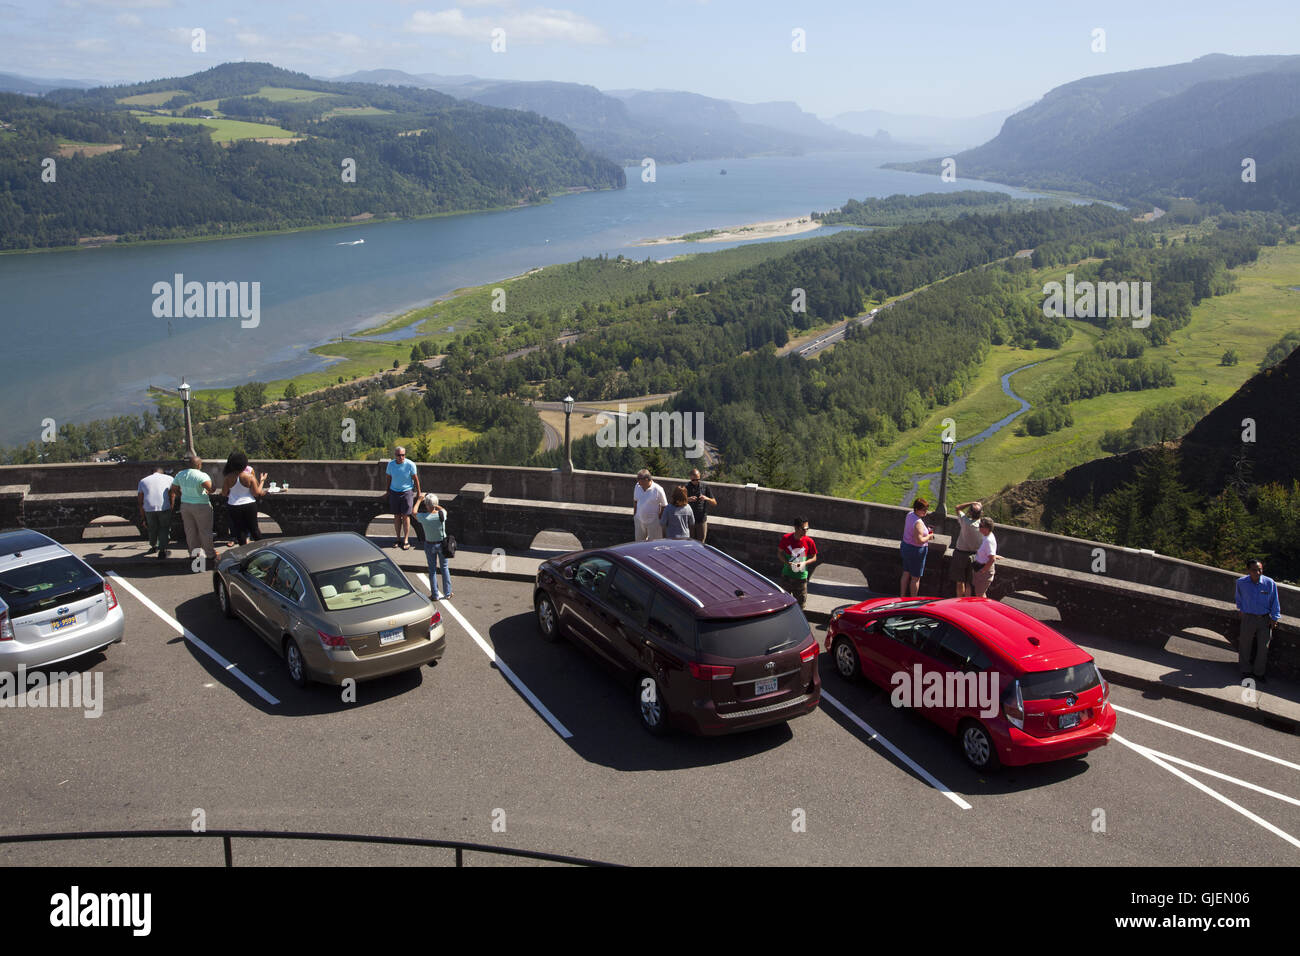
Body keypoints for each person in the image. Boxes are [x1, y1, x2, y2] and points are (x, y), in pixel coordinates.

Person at [1235, 558, 1281, 683]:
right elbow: (1238, 597)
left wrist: (1275, 617)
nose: (1257, 572)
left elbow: (1274, 601)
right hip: (1248, 617)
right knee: (1245, 645)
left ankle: (1258, 673)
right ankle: (1245, 670)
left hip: (1264, 619)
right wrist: (1241, 609)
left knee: (1263, 648)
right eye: (1254, 570)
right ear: (1248, 570)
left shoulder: (1269, 583)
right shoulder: (1241, 582)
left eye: (1259, 569)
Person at [170, 455, 216, 566]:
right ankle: (209, 554)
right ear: (199, 465)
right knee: (205, 531)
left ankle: (193, 554)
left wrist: (182, 495)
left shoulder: (180, 474)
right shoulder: (201, 475)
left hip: (185, 505)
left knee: (190, 531)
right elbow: (211, 489)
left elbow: (174, 488)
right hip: (201, 504)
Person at [221, 451, 267, 547]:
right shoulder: (249, 477)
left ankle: (243, 551)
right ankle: (261, 548)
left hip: (233, 505)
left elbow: (224, 493)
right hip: (249, 504)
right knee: (254, 529)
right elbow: (256, 493)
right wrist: (262, 481)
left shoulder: (228, 477)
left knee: (239, 530)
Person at [414, 493, 452, 600]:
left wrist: (419, 500)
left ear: (426, 505)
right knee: (444, 568)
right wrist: (436, 504)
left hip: (430, 544)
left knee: (432, 570)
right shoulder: (442, 514)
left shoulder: (424, 517)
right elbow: (443, 509)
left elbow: (413, 512)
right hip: (442, 544)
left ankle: (435, 595)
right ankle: (448, 593)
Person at [384, 446, 422, 550]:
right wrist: (387, 491)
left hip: (407, 492)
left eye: (403, 455)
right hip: (394, 492)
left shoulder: (410, 464)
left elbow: (416, 479)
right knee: (396, 516)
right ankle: (398, 539)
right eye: (399, 455)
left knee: (406, 516)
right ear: (395, 455)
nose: (401, 457)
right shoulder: (391, 465)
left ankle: (405, 539)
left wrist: (419, 492)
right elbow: (388, 478)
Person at [779, 517, 818, 609]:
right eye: (804, 529)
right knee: (783, 604)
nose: (806, 531)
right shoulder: (786, 538)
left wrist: (804, 563)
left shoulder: (809, 541)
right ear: (796, 528)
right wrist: (787, 562)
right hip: (786, 577)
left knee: (800, 607)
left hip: (801, 579)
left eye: (807, 528)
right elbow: (779, 553)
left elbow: (814, 557)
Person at [137, 466, 174, 560]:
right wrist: (171, 507)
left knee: (152, 528)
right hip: (164, 507)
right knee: (164, 528)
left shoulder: (143, 481)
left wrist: (142, 516)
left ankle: (153, 545)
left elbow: (140, 500)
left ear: (151, 472)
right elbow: (172, 495)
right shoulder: (169, 478)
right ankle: (162, 551)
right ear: (163, 472)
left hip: (149, 508)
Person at [900, 497, 935, 597]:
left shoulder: (910, 514)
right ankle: (912, 600)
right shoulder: (918, 522)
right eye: (923, 510)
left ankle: (902, 596)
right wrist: (929, 536)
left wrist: (925, 530)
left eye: (926, 510)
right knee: (915, 578)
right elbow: (918, 540)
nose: (925, 512)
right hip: (915, 551)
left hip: (906, 547)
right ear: (917, 509)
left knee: (905, 573)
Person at [950, 500, 984, 597]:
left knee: (960, 581)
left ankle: (959, 599)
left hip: (960, 553)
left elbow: (957, 507)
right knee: (969, 582)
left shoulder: (965, 521)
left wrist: (971, 503)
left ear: (970, 512)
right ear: (981, 513)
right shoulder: (982, 525)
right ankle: (966, 602)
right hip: (975, 555)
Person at [632, 469, 667, 541]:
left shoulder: (658, 489)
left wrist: (659, 517)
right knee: (639, 543)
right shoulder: (637, 486)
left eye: (639, 479)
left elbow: (664, 505)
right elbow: (635, 501)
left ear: (646, 479)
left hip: (654, 521)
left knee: (655, 544)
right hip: (639, 520)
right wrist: (635, 514)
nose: (637, 481)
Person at [685, 467, 717, 543]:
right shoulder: (686, 487)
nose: (696, 482)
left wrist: (707, 498)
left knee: (701, 542)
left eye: (697, 479)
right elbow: (678, 502)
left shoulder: (705, 487)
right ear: (690, 478)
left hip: (701, 520)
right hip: (690, 520)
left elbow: (714, 502)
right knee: (690, 542)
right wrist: (688, 499)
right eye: (693, 480)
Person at [972, 517, 998, 598]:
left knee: (979, 595)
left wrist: (983, 571)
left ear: (987, 528)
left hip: (984, 571)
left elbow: (992, 559)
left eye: (981, 526)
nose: (979, 527)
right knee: (979, 594)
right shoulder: (986, 536)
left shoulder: (988, 540)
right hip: (979, 567)